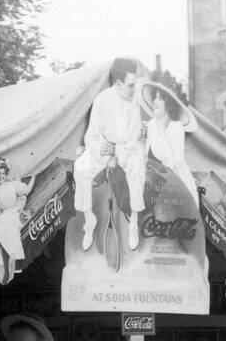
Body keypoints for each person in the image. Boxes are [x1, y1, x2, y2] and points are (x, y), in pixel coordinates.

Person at [74, 59, 143, 252]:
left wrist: (118, 154)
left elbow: (135, 137)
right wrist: (100, 148)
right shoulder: (102, 100)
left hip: (127, 150)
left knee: (137, 167)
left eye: (135, 84)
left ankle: (134, 223)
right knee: (80, 168)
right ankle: (90, 220)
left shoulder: (134, 102)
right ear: (118, 84)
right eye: (130, 85)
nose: (133, 89)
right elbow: (91, 135)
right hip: (105, 150)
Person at [142, 88, 200, 206]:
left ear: (168, 104)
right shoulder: (152, 125)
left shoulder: (176, 127)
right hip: (155, 181)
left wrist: (163, 130)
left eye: (160, 98)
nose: (155, 102)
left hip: (176, 182)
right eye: (155, 98)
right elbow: (146, 156)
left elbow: (175, 163)